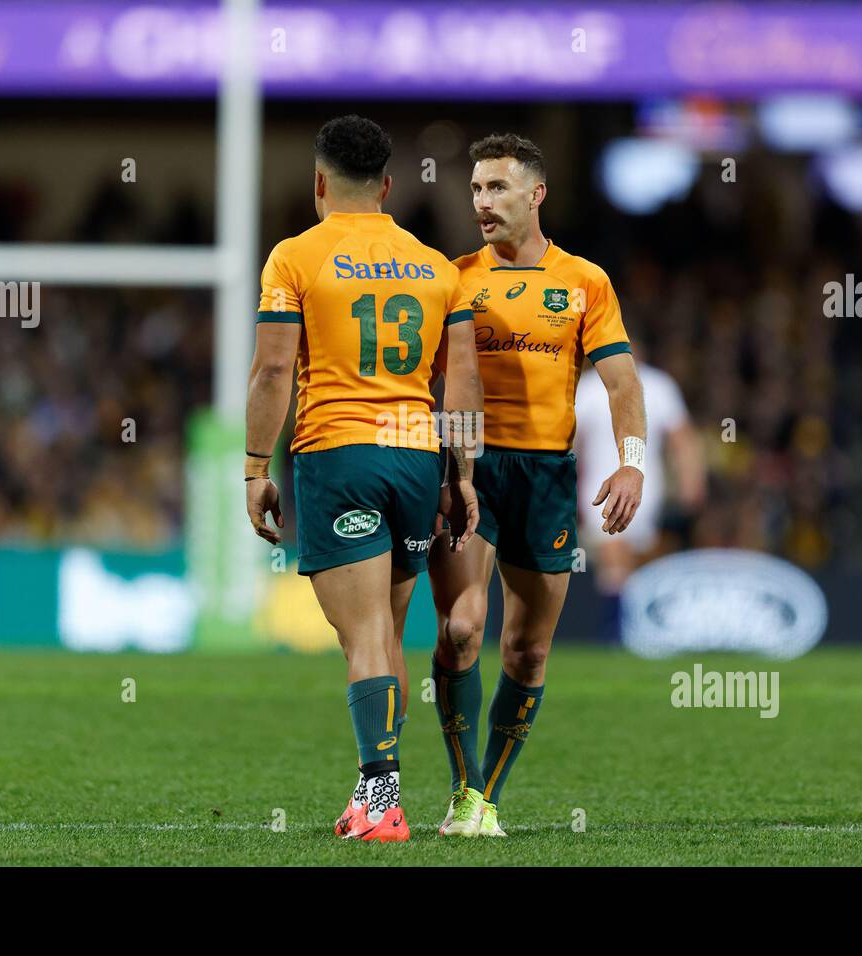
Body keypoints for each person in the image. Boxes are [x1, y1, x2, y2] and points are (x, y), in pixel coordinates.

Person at [244, 116, 481, 843]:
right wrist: (462, 474)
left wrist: (255, 467)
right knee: (387, 633)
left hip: (338, 453)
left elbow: (275, 370)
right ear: (386, 185)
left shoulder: (294, 258)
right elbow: (463, 382)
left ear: (319, 183)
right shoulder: (439, 267)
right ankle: (376, 793)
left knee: (363, 637)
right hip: (416, 457)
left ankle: (380, 802)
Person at [426, 134, 646, 837]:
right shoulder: (453, 279)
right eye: (476, 190)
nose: (482, 202)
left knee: (527, 650)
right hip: (469, 468)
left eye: (497, 188)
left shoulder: (585, 281)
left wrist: (632, 459)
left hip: (547, 475)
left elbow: (620, 382)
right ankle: (462, 793)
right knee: (461, 631)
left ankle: (486, 795)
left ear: (536, 194)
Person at [574, 337, 706, 635]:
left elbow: (682, 439)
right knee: (613, 551)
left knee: (637, 557)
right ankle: (617, 630)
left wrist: (691, 480)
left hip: (645, 483)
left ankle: (630, 623)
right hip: (598, 485)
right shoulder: (589, 387)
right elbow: (572, 440)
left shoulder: (658, 385)